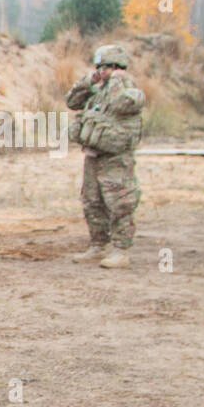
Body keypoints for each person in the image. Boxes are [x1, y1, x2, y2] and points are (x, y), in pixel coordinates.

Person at [67, 44, 145, 269]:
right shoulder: (98, 90)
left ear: (116, 67)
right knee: (92, 201)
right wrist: (88, 81)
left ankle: (121, 250)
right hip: (94, 154)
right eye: (98, 67)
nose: (100, 72)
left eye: (105, 68)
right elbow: (72, 102)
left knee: (120, 201)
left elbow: (124, 103)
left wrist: (119, 80)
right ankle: (98, 245)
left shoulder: (127, 88)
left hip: (116, 157)